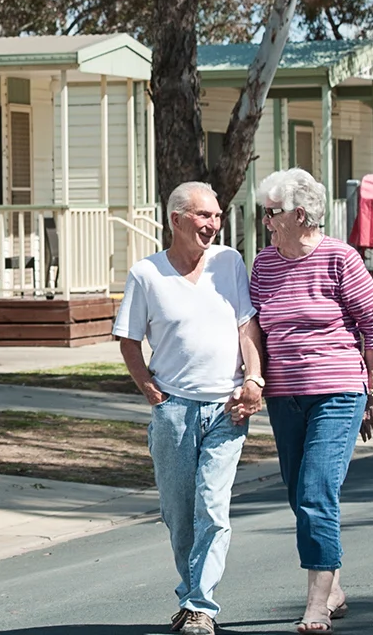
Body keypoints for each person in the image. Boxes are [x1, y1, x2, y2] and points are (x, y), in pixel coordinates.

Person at [112, 181, 264, 635]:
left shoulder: (229, 263)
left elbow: (247, 326)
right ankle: (190, 592)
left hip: (227, 407)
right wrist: (148, 389)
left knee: (212, 508)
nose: (213, 225)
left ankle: (201, 605)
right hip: (174, 410)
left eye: (217, 216)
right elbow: (128, 338)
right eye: (203, 216)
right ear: (176, 219)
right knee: (179, 513)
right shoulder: (147, 274)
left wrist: (253, 379)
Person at [246, 168, 373, 635]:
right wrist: (250, 377)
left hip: (337, 392)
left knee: (315, 494)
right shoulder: (264, 263)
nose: (266, 221)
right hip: (284, 397)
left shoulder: (340, 260)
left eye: (272, 212)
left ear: (300, 215)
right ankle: (335, 587)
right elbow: (253, 328)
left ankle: (316, 606)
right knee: (298, 495)